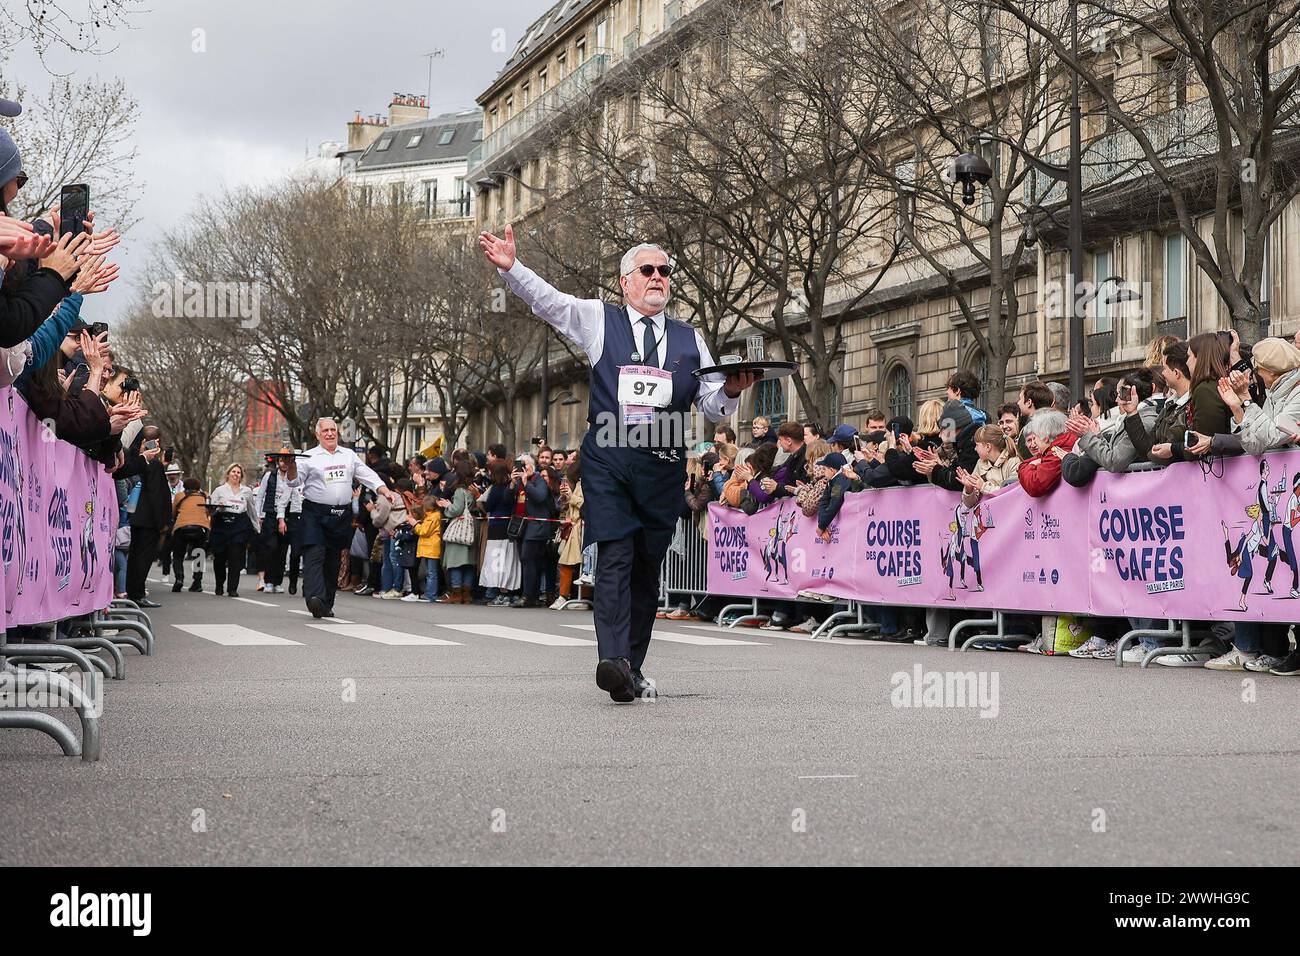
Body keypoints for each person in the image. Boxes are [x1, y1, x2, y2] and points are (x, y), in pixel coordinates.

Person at [481, 226, 757, 702]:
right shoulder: (597, 319)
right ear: (626, 281)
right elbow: (551, 302)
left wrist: (731, 389)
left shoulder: (690, 339)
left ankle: (630, 664)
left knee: (647, 568)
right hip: (609, 457)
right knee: (615, 554)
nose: (658, 278)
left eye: (665, 271)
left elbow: (711, 403)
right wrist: (513, 269)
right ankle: (611, 658)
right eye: (647, 270)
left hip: (663, 464)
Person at [283, 418, 398, 618]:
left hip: (340, 515)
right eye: (325, 431)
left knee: (333, 561)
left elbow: (366, 474)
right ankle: (314, 598)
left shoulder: (348, 455)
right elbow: (293, 482)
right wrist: (291, 465)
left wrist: (383, 489)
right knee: (315, 555)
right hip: (315, 515)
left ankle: (326, 603)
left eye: (332, 430)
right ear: (318, 435)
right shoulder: (308, 456)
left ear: (337, 432)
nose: (329, 434)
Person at [208, 463, 256, 598]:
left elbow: (252, 510)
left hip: (239, 526)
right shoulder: (219, 490)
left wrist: (256, 526)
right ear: (228, 474)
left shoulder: (246, 491)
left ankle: (232, 588)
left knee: (236, 558)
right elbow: (210, 510)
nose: (236, 474)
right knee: (220, 558)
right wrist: (218, 507)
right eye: (233, 472)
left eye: (238, 472)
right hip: (221, 525)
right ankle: (219, 585)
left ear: (241, 476)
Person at [437, 458, 479, 604]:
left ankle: (456, 593)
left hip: (459, 531)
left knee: (455, 563)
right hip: (470, 529)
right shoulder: (472, 490)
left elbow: (456, 510)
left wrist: (446, 506)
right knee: (468, 564)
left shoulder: (460, 490)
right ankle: (467, 594)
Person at [479, 461, 521, 605]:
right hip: (510, 528)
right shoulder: (512, 486)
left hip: (496, 528)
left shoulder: (496, 488)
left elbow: (489, 505)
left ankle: (502, 593)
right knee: (508, 560)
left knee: (497, 562)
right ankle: (510, 591)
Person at [254, 448, 295, 593]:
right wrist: (259, 515)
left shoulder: (294, 477)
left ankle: (278, 582)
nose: (284, 463)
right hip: (271, 515)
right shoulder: (269, 475)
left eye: (287, 460)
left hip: (287, 516)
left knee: (283, 550)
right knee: (271, 547)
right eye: (282, 460)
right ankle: (268, 581)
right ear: (278, 461)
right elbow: (260, 496)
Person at [170, 477, 211, 593]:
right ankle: (197, 582)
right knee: (199, 555)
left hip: (182, 527)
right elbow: (208, 511)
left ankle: (179, 579)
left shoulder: (179, 496)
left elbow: (173, 512)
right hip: (200, 528)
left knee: (178, 555)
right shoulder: (204, 496)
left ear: (185, 486)